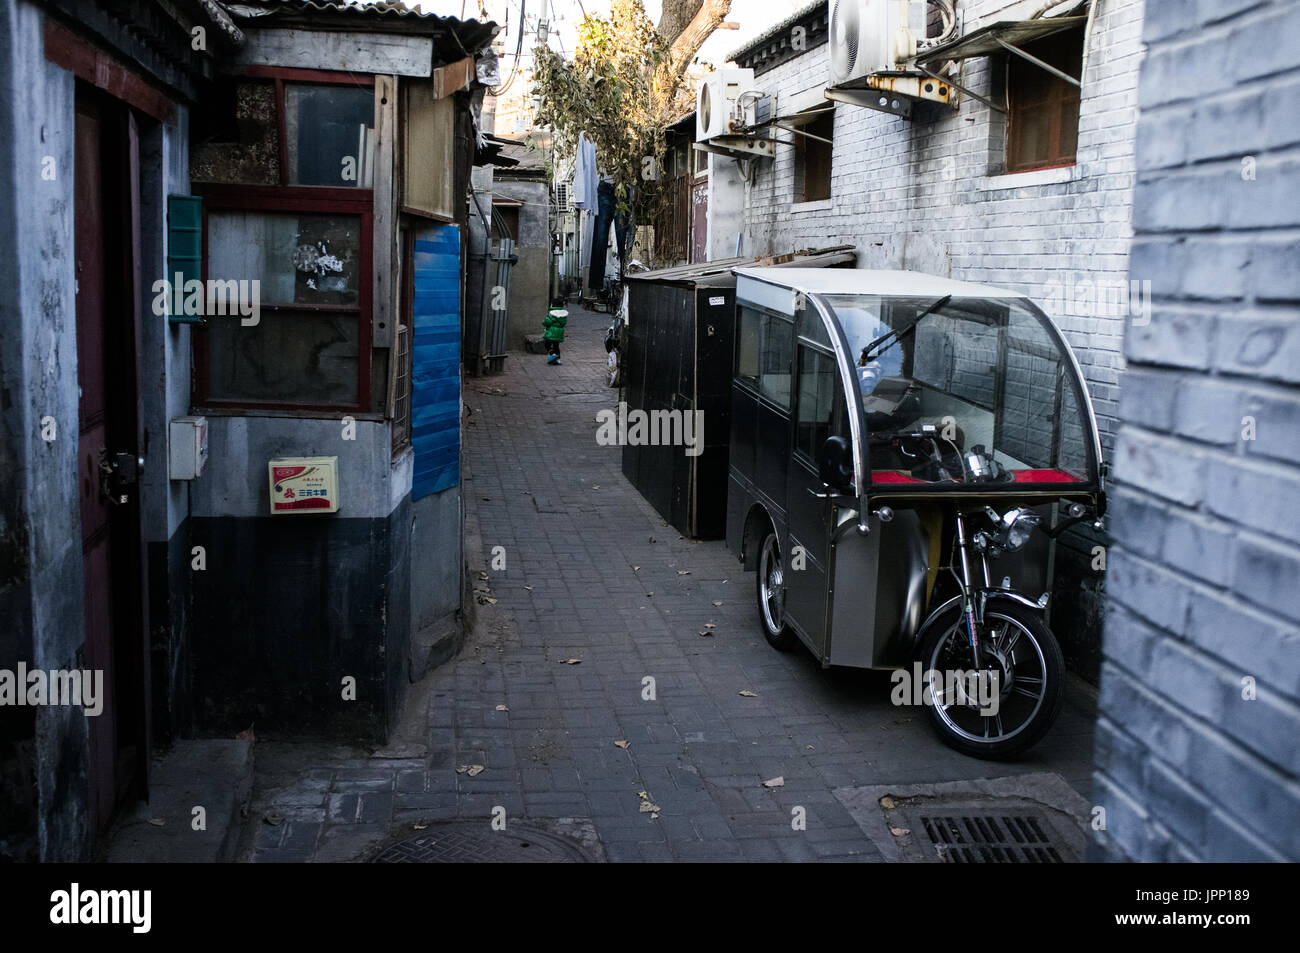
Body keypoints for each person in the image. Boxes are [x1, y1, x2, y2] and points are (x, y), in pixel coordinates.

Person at [543, 297, 567, 365]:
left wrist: (543, 322)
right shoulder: (563, 314)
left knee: (547, 345)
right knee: (556, 346)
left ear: (553, 305)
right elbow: (563, 323)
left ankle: (553, 354)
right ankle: (558, 359)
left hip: (551, 332)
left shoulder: (552, 313)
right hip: (559, 332)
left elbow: (547, 322)